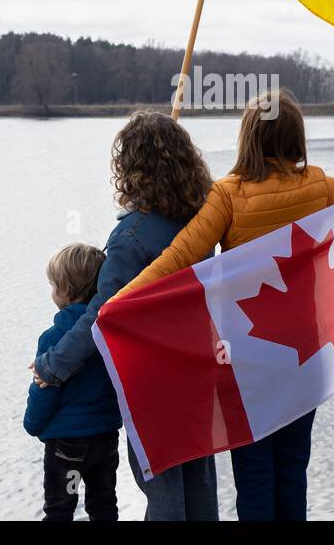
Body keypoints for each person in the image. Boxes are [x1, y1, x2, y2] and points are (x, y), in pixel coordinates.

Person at [111, 88, 334, 521]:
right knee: (293, 471)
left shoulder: (228, 195)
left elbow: (179, 257)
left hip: (249, 358)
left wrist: (119, 302)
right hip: (306, 357)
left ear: (246, 138)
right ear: (296, 138)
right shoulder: (320, 186)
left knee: (254, 476)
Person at [30, 111, 220, 521]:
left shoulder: (129, 237)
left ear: (132, 169)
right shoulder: (204, 223)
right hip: (202, 371)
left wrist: (54, 365)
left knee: (165, 494)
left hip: (154, 384)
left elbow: (102, 315)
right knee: (200, 490)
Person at [23, 243, 123, 521]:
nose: (52, 292)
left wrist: (32, 424)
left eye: (54, 286)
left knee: (59, 509)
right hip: (105, 438)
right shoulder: (111, 333)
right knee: (103, 505)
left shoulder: (53, 339)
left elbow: (46, 389)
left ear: (65, 291)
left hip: (66, 446)